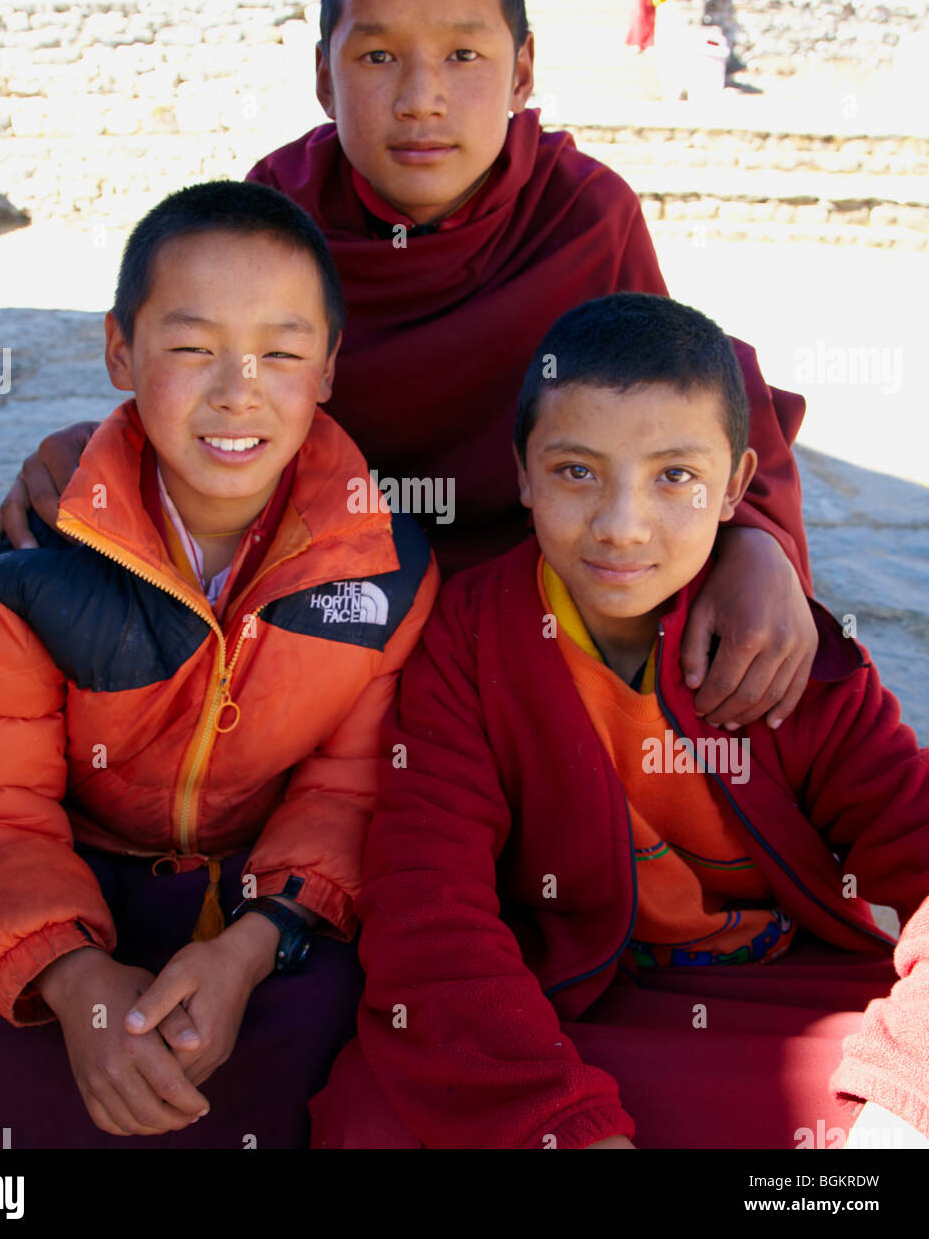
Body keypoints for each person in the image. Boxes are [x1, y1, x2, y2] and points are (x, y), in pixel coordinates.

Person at [0, 0, 818, 764]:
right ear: (323, 75)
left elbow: (686, 386)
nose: (422, 99)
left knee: (771, 652)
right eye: (378, 55)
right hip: (329, 599)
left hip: (541, 591)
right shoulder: (279, 216)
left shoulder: (581, 214)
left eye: (464, 54)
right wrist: (99, 452)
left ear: (522, 70)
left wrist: (761, 542)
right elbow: (217, 386)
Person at [0, 180, 438, 1149]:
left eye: (281, 351)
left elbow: (352, 792)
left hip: (258, 897)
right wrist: (71, 973)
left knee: (325, 1031)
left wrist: (254, 947)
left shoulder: (385, 573)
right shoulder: (20, 576)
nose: (238, 389)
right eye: (191, 347)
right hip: (63, 866)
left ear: (329, 369)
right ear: (119, 350)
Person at [308, 294, 929, 1149]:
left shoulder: (782, 650)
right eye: (575, 472)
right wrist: (561, 1125)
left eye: (675, 475)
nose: (621, 526)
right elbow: (425, 896)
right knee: (367, 1117)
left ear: (737, 486)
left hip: (784, 998)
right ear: (521, 473)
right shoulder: (472, 634)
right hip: (577, 995)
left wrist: (904, 1100)